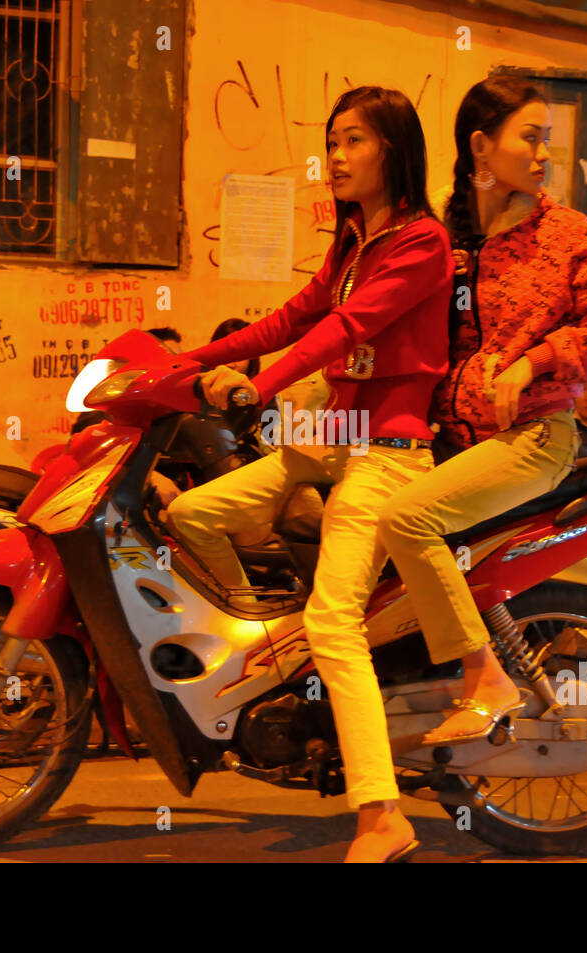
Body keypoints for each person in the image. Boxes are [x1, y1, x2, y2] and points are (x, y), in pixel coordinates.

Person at [166, 86, 452, 862]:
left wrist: (260, 385)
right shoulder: (354, 240)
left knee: (334, 619)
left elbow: (347, 327)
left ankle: (382, 815)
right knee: (188, 516)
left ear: (391, 149)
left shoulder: (424, 243)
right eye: (331, 141)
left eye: (352, 140)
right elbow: (296, 315)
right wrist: (192, 358)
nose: (334, 156)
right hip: (332, 440)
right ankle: (266, 658)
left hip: (389, 452)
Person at [377, 75, 587, 747]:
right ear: (480, 146)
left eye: (545, 139)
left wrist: (537, 360)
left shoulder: (563, 233)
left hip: (532, 437)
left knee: (406, 519)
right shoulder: (445, 238)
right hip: (442, 443)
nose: (543, 154)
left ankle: (485, 677)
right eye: (531, 137)